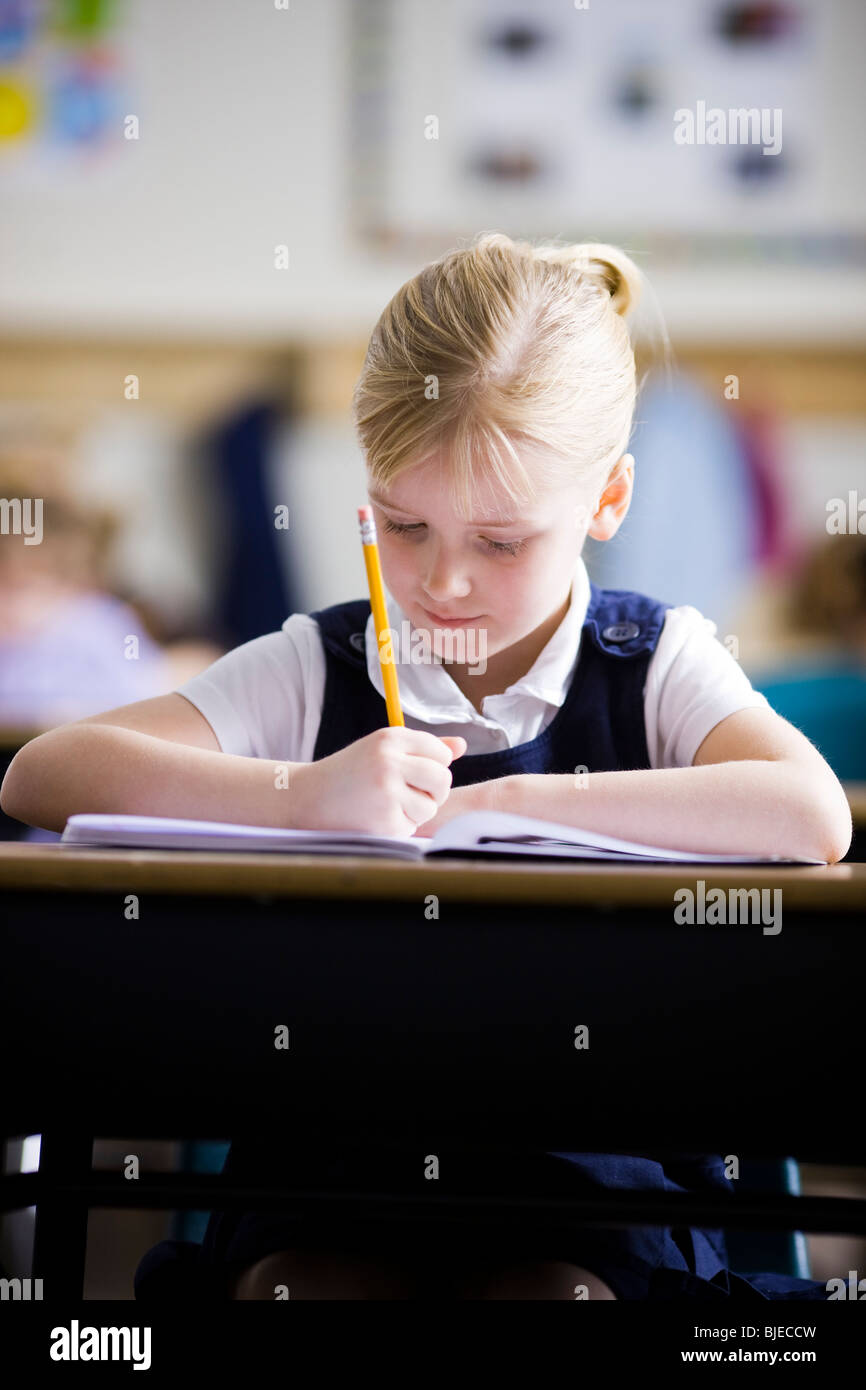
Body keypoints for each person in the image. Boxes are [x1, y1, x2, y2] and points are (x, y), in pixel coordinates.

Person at [2, 233, 851, 1299]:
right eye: (404, 525)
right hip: (334, 1151)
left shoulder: (654, 663)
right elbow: (44, 773)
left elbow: (810, 811)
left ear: (606, 501)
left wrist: (518, 805)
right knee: (299, 1290)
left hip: (595, 1162)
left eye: (500, 542)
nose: (443, 581)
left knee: (556, 1296)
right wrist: (301, 794)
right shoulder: (316, 666)